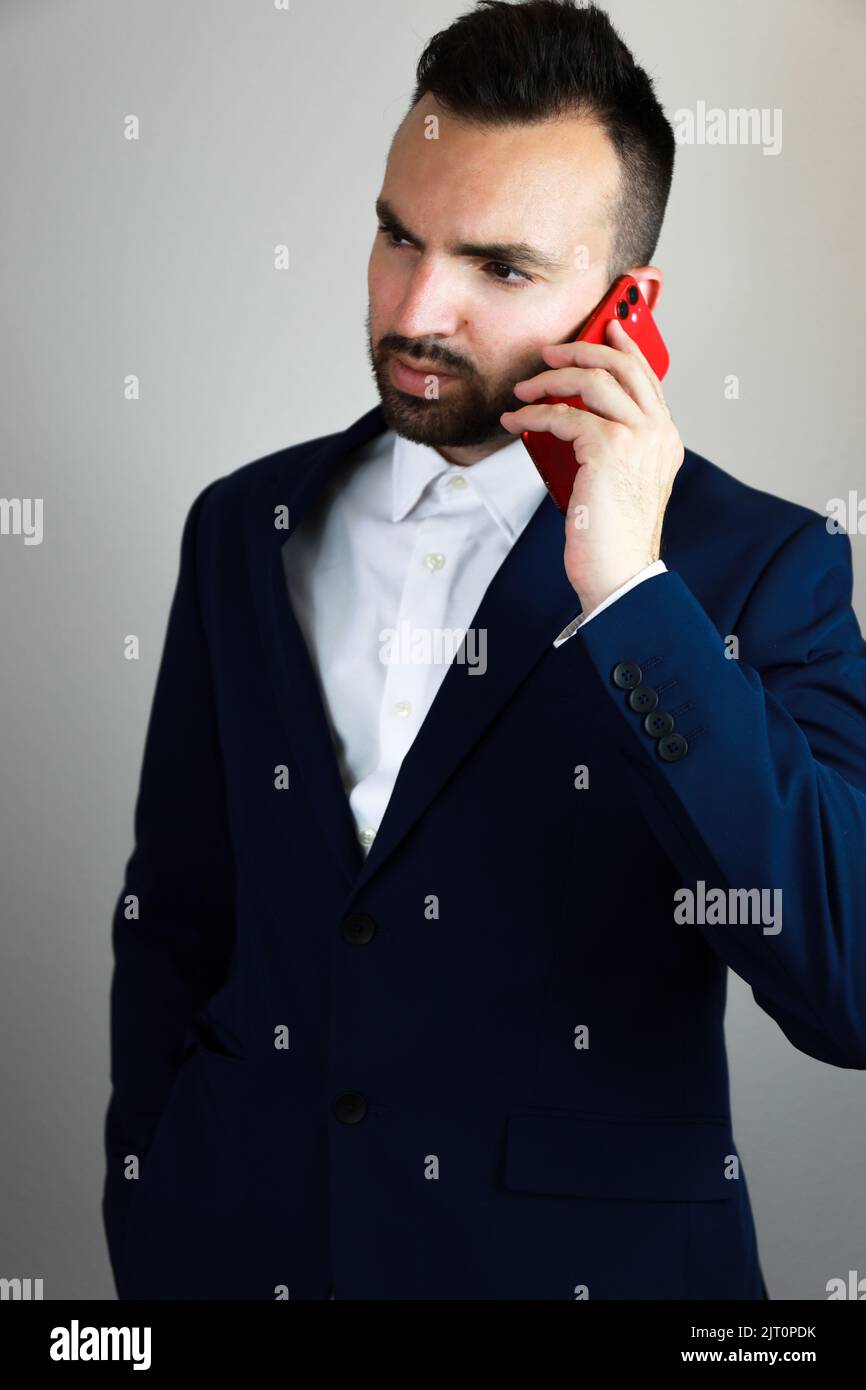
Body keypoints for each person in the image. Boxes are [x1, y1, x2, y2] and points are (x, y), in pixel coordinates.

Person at [102, 0, 866, 1301]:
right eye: (399, 233)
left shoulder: (760, 565)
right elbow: (177, 914)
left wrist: (626, 585)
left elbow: (845, 979)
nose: (416, 306)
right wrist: (153, 1188)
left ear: (627, 305)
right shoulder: (242, 525)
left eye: (498, 268)